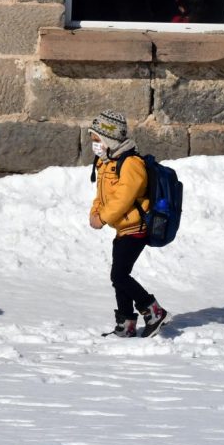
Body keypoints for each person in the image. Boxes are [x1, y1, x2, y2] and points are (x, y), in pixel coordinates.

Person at [88, 110, 172, 338]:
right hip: (123, 229)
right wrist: (95, 212)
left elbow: (123, 198)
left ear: (109, 140)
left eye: (97, 140)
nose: (94, 145)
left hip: (136, 228)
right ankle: (126, 323)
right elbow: (102, 195)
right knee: (119, 277)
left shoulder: (131, 164)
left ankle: (154, 311)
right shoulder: (106, 164)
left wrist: (104, 217)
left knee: (119, 276)